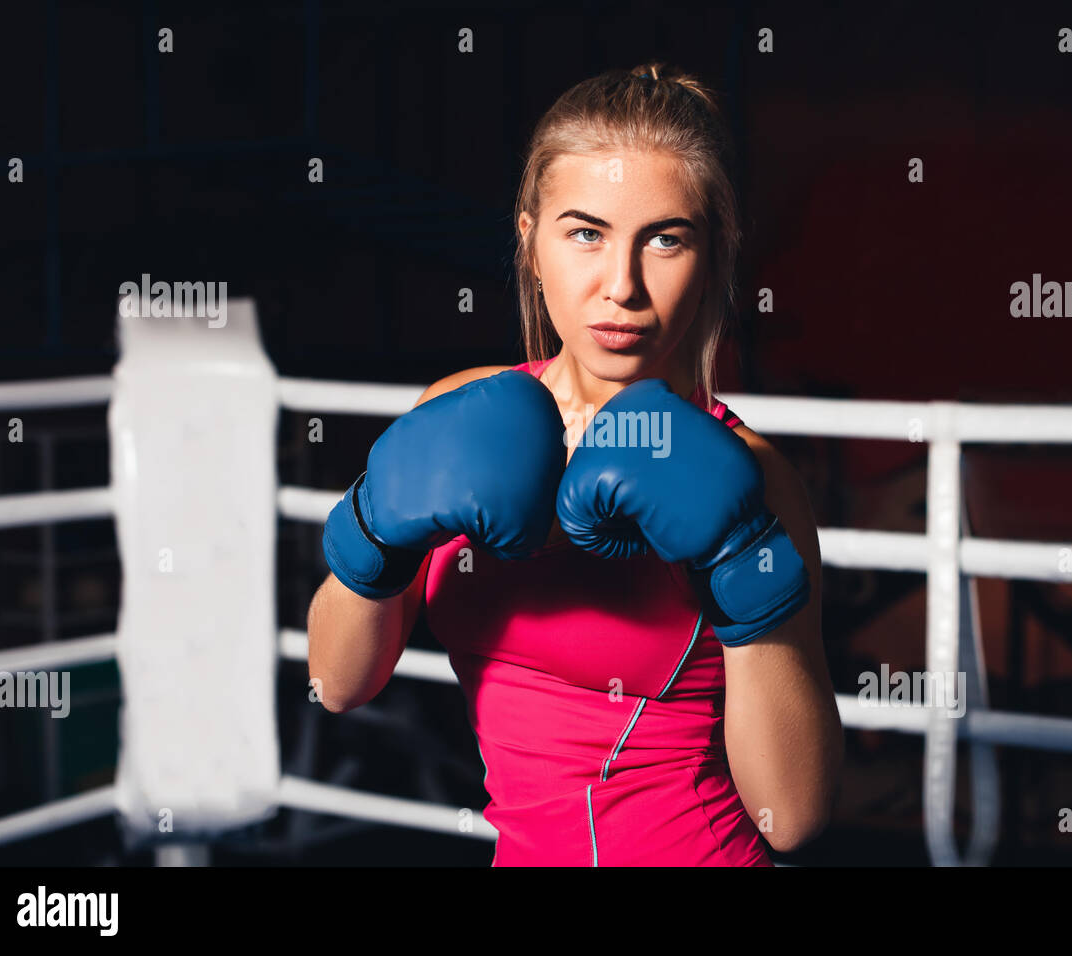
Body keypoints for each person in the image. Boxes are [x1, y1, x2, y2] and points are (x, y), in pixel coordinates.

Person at [308, 63, 843, 866]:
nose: (620, 286)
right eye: (586, 233)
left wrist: (746, 564)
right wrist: (373, 524)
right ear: (530, 241)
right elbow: (340, 684)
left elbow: (792, 816)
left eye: (665, 238)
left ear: (715, 253)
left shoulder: (752, 475)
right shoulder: (458, 412)